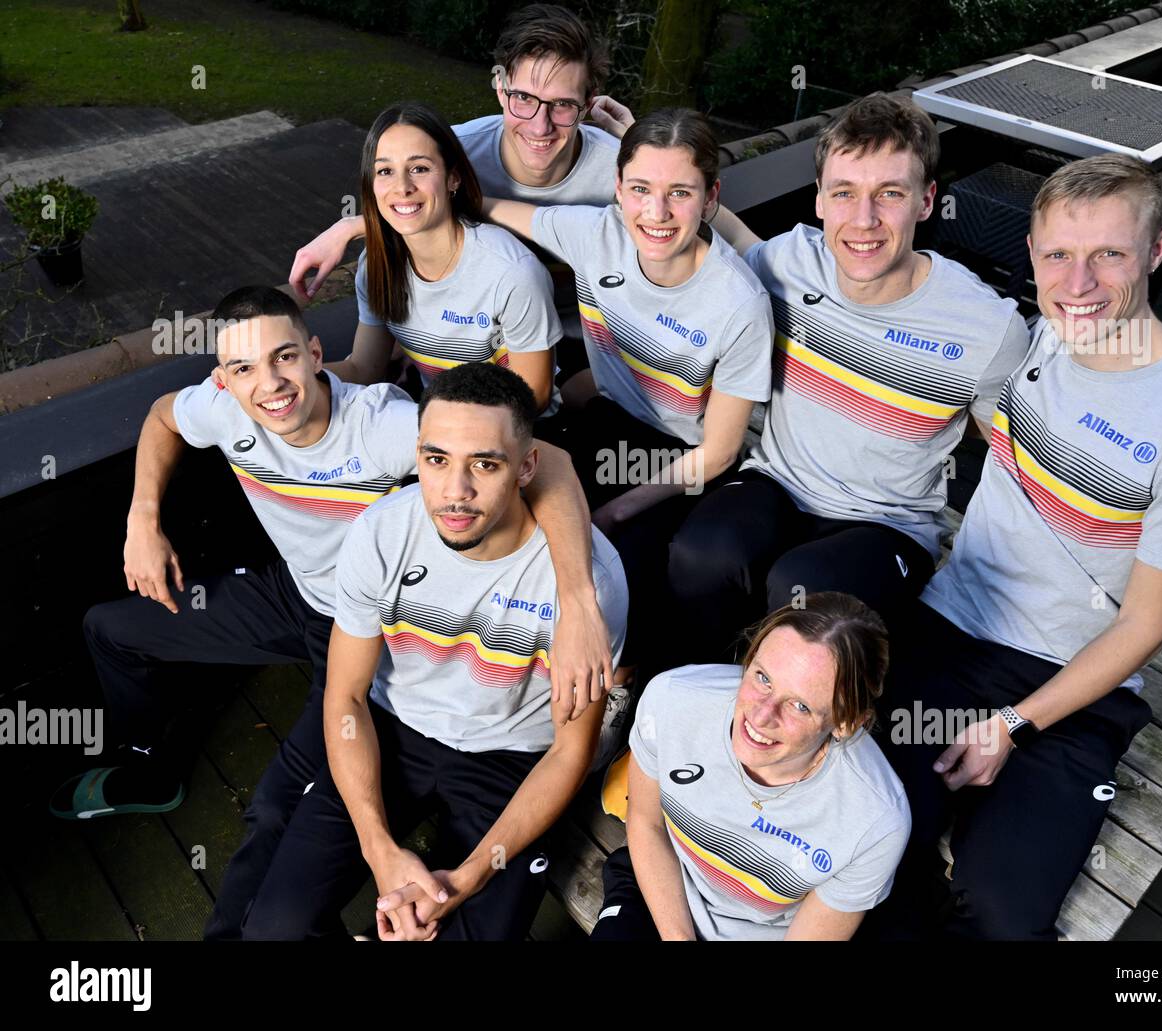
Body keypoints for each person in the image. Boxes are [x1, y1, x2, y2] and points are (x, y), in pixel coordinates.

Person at [56, 286, 610, 939]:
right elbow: (159, 417)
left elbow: (547, 464)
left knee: (276, 803)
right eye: (243, 369)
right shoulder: (224, 408)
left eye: (284, 357)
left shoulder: (382, 428)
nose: (270, 383)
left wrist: (577, 599)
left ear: (316, 353)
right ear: (222, 380)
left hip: (372, 622)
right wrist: (143, 519)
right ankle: (151, 762)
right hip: (294, 591)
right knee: (111, 628)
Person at [874, 154, 1162, 940]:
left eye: (1108, 255)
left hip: (1076, 684)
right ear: (1033, 255)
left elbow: (1145, 626)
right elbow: (886, 279)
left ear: (1155, 252)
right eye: (1057, 255)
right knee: (873, 836)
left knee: (1005, 912)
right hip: (951, 631)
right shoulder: (1041, 335)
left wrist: (1013, 725)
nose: (1077, 282)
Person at [238, 362, 629, 940]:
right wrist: (380, 853)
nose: (455, 492)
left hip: (513, 757)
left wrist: (466, 880)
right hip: (391, 732)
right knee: (274, 930)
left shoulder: (592, 585)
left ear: (527, 467)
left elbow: (569, 753)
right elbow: (344, 698)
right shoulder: (381, 533)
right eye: (436, 460)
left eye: (486, 465)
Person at [663, 94, 1030, 664]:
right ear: (819, 201)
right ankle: (705, 695)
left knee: (804, 592)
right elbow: (726, 238)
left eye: (890, 194)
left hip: (887, 525)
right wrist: (644, 146)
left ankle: (788, 723)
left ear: (927, 200)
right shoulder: (789, 263)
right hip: (779, 484)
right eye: (844, 194)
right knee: (701, 553)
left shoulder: (987, 327)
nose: (864, 220)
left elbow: (1013, 457)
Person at [481, 108, 775, 684]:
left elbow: (717, 452)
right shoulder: (597, 234)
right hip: (608, 423)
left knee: (614, 569)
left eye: (679, 193)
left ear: (711, 197)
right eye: (640, 189)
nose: (656, 213)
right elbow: (483, 206)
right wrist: (353, 227)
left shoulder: (739, 303)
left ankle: (621, 684)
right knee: (510, 521)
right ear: (618, 190)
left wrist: (616, 508)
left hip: (685, 464)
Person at [288, 2, 628, 357]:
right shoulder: (452, 154)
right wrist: (351, 227)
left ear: (588, 104)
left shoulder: (621, 172)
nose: (539, 125)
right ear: (500, 87)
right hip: (477, 340)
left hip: (587, 343)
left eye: (561, 105)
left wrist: (638, 139)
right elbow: (407, 204)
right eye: (523, 98)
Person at [591, 592, 909, 941]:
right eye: (762, 678)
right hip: (662, 889)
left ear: (847, 723)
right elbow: (646, 822)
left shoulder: (875, 820)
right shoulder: (673, 700)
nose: (760, 716)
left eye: (800, 706)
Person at [339, 100, 562, 415]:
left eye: (419, 168)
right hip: (436, 418)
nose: (402, 187)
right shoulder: (375, 265)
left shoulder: (511, 273)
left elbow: (533, 398)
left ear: (452, 178)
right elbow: (365, 369)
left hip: (512, 428)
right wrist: (301, 377)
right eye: (386, 171)